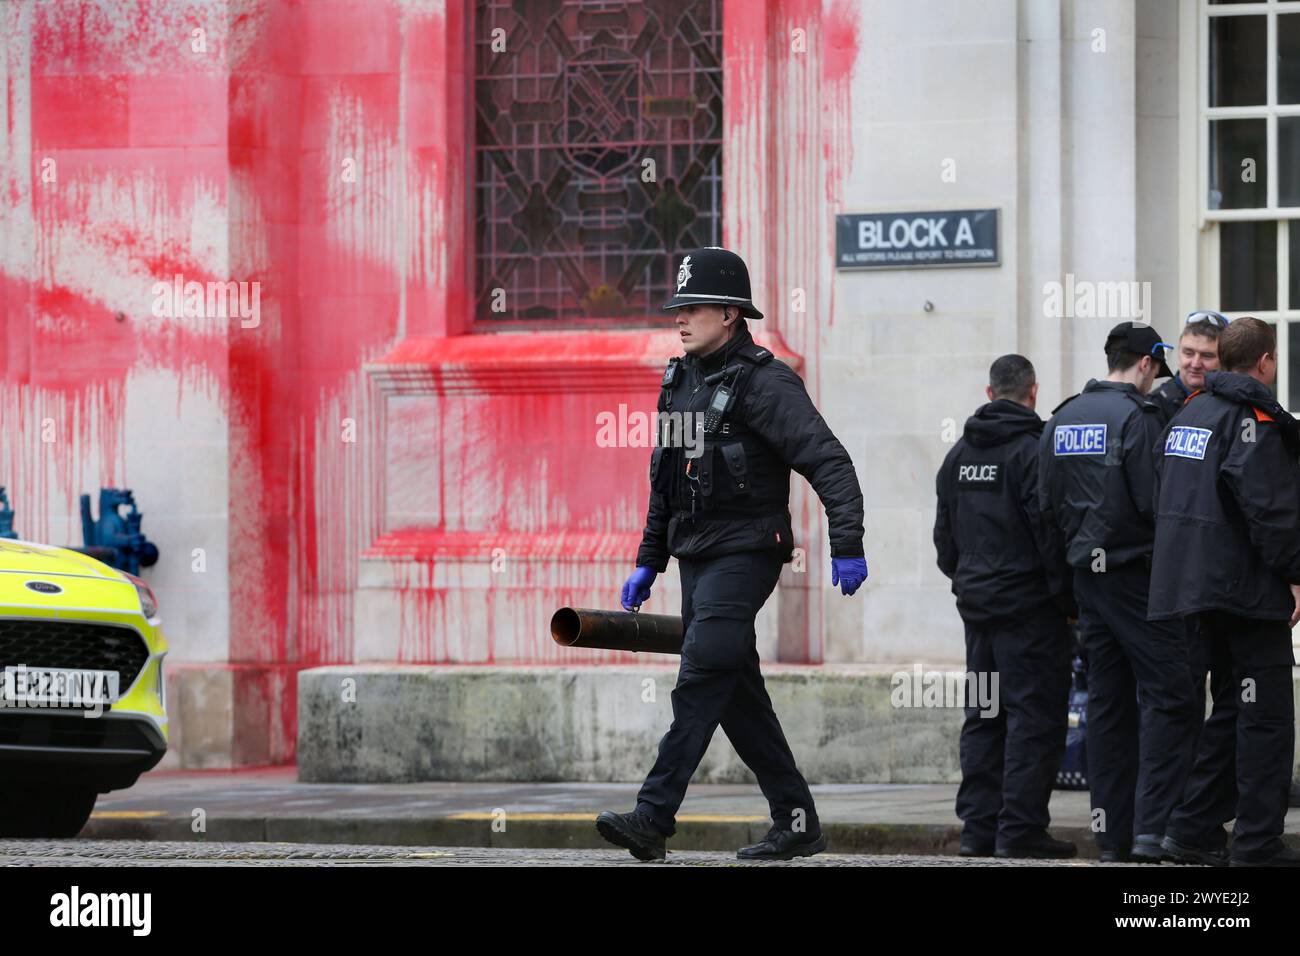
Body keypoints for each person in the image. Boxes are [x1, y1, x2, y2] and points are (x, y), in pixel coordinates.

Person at [596, 246, 867, 862]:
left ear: (729, 313)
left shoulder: (766, 382)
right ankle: (797, 821)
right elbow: (666, 480)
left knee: (700, 676)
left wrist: (846, 544)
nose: (680, 319)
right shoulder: (679, 379)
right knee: (735, 690)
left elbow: (830, 462)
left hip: (747, 551)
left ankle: (652, 816)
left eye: (692, 308)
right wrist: (649, 558)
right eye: (677, 309)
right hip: (696, 554)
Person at [1038, 321, 1200, 863]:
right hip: (1137, 578)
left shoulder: (1061, 419)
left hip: (1087, 581)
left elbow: (1044, 511)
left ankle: (1113, 837)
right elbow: (1157, 507)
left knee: (1108, 708)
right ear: (1149, 363)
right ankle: (1153, 830)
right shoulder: (1140, 417)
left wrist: (1066, 589)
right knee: (1173, 696)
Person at [1149, 317, 1300, 867]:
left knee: (1233, 709)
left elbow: (1163, 487)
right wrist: (1295, 572)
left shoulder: (1190, 413)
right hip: (1245, 593)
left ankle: (1192, 828)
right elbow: (1270, 510)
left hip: (1190, 590)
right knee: (1266, 719)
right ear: (1265, 361)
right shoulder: (1253, 419)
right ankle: (1258, 842)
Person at [933, 355, 1076, 859]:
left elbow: (944, 543)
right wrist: (1066, 602)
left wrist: (971, 583)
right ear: (1033, 392)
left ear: (989, 393)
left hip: (979, 612)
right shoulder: (1035, 452)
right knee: (1033, 719)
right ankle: (1020, 831)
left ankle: (978, 831)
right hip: (1031, 613)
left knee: (985, 716)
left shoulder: (957, 455)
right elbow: (1050, 536)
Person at [1148, 310, 1226, 426]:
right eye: (1188, 353)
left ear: (1224, 359)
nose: (1195, 364)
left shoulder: (1233, 403)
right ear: (1179, 353)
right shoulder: (1155, 406)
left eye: (1207, 356)